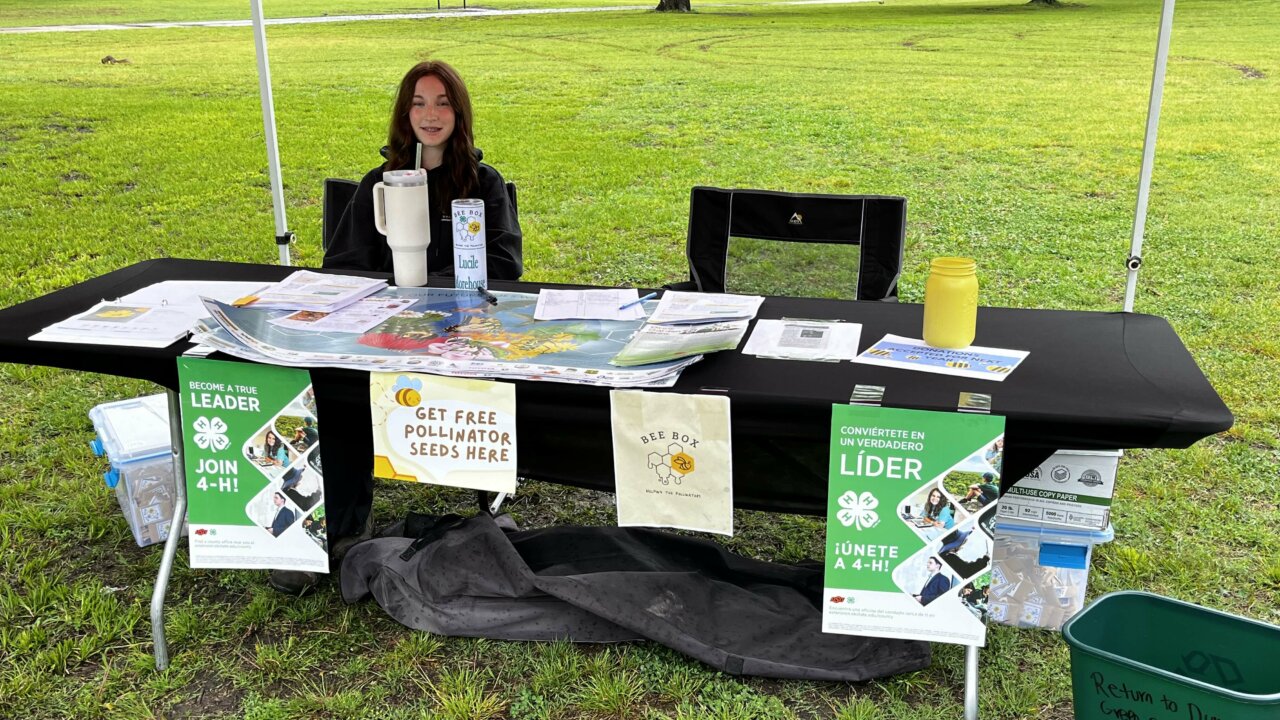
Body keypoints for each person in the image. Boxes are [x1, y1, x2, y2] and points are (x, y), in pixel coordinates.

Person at [323, 60, 522, 281]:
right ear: (405, 113)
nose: (431, 115)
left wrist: (434, 284)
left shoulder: (483, 182)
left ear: (458, 111)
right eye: (418, 104)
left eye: (443, 103)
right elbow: (344, 265)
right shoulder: (379, 182)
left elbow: (504, 261)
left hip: (463, 306)